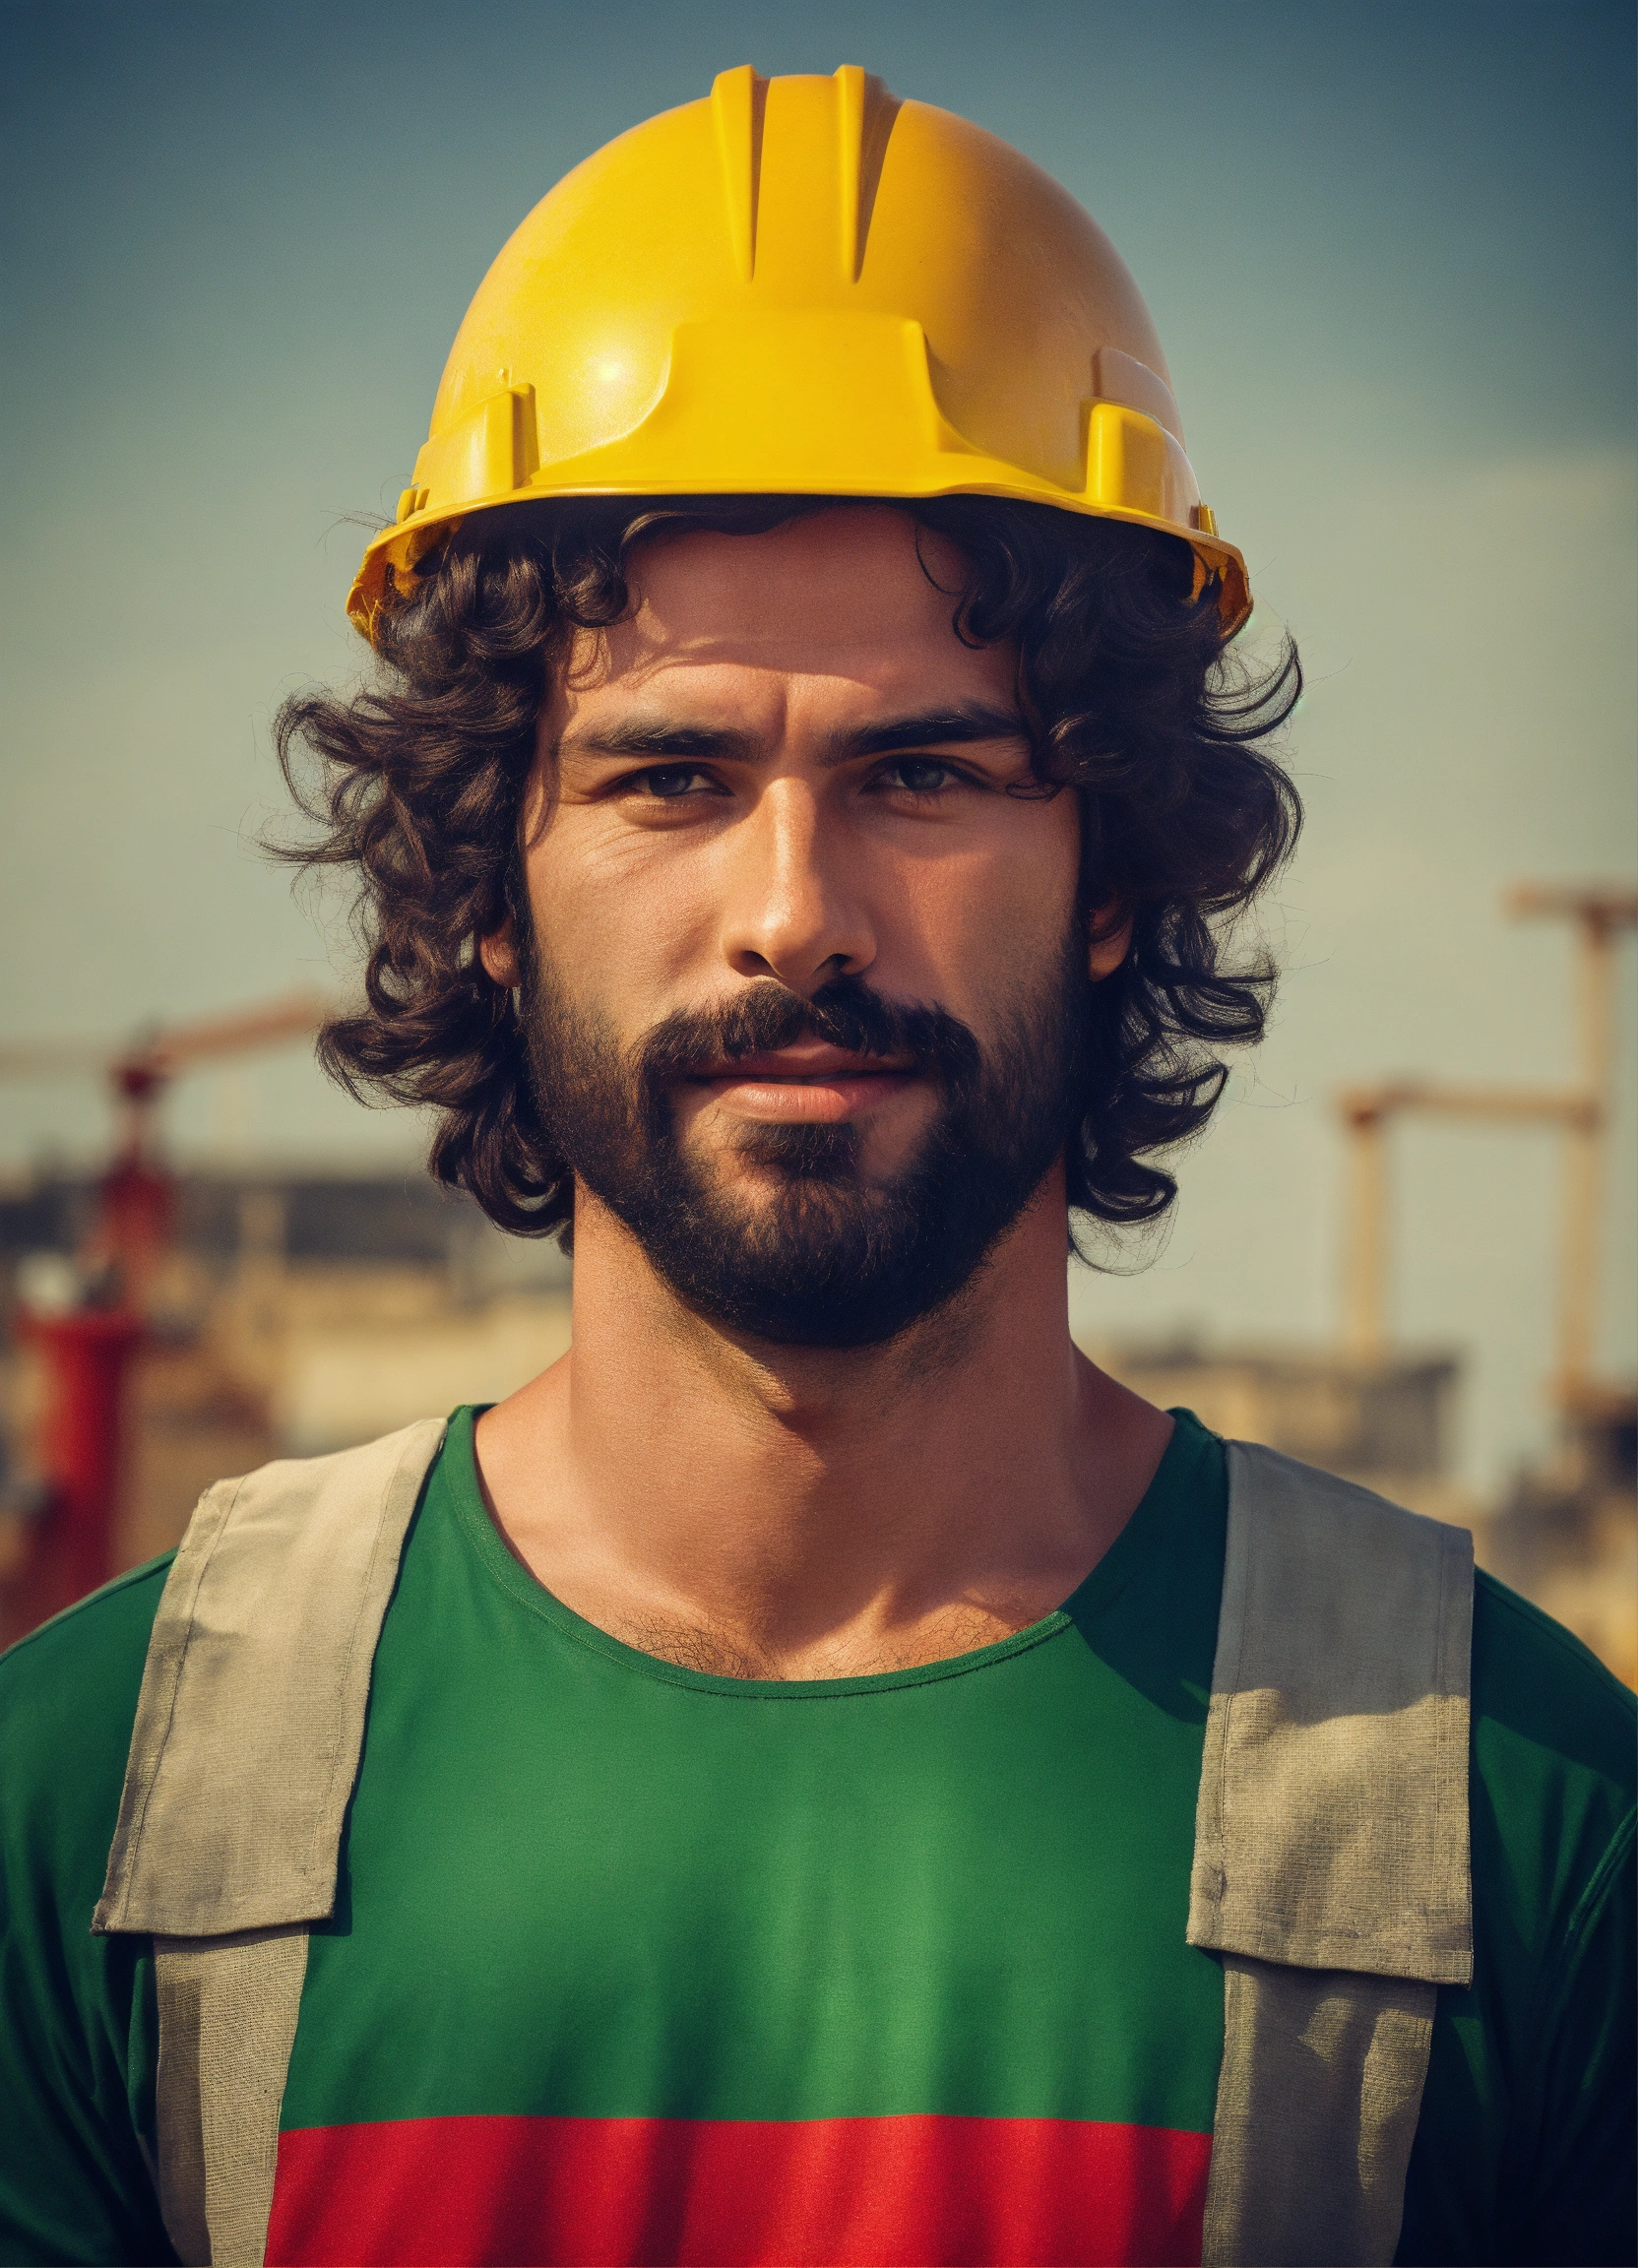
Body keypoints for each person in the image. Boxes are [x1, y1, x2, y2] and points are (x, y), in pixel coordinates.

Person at [1, 65, 1631, 2268]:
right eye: (670, 780)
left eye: (926, 773)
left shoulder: (1525, 1819)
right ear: (491, 887)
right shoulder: (91, 1806)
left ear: (1115, 871)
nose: (796, 915)